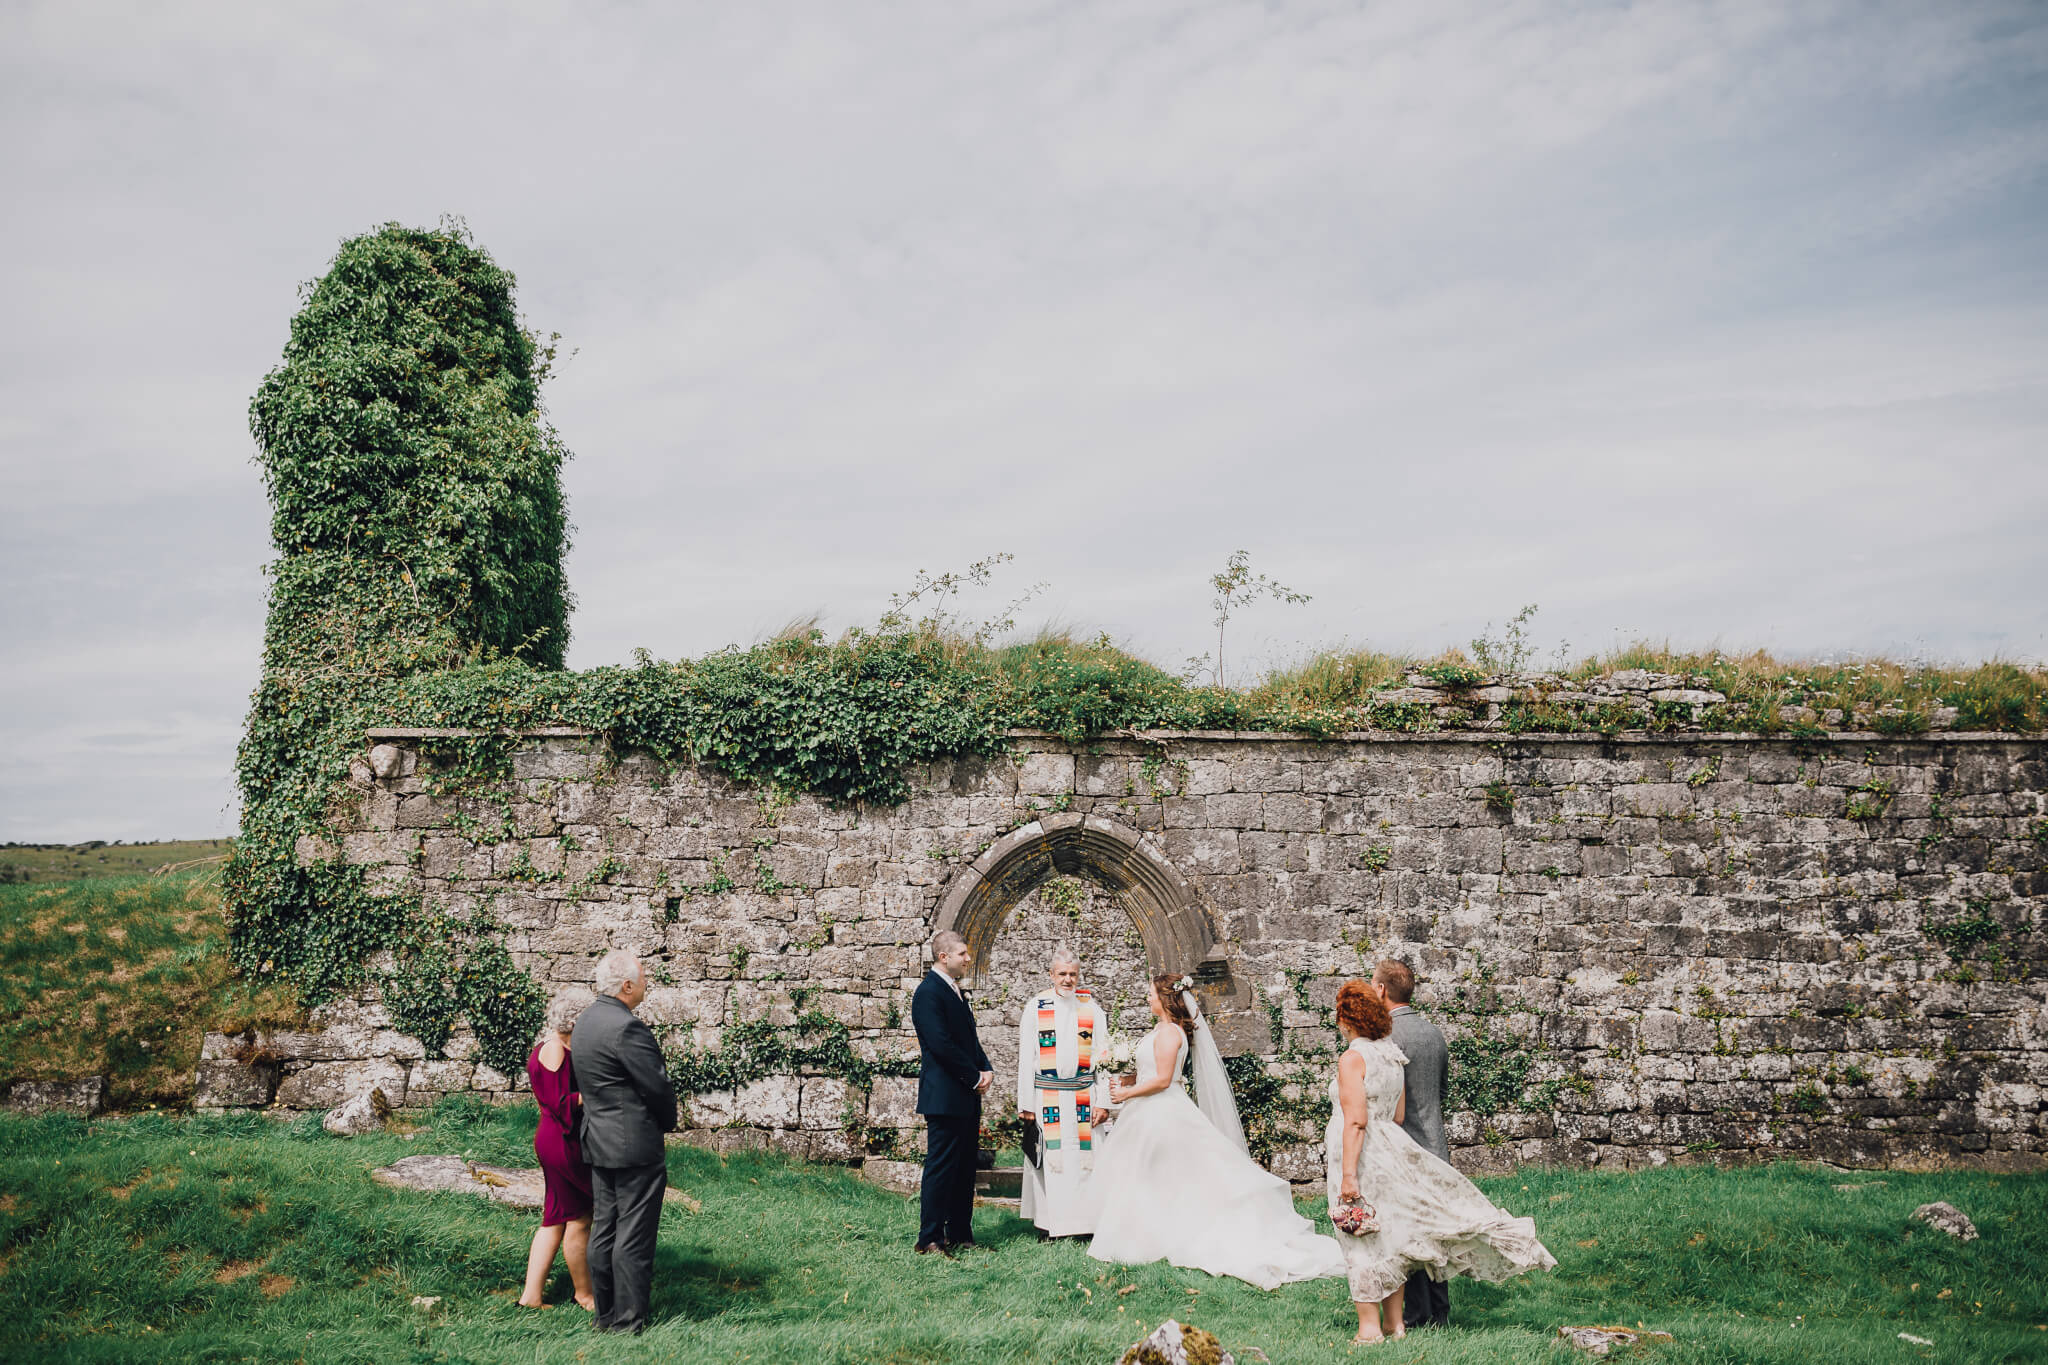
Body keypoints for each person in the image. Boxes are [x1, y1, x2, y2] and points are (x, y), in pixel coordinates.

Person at [1327, 979, 1554, 1345]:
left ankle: (1369, 1330)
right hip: (1391, 1147)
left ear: (1347, 1019)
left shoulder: (1353, 1058)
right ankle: (1395, 1325)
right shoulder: (1391, 1056)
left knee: (1359, 1237)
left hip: (1362, 1155)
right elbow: (1398, 1115)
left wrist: (1349, 1176)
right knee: (1389, 1236)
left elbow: (1355, 1120)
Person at [1087, 974, 1345, 1288]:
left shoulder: (1170, 1033)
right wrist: (1127, 1080)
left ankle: (1161, 1235)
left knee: (1159, 1173)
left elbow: (1164, 1080)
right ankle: (1148, 1234)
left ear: (1165, 998)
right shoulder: (1161, 1029)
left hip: (1161, 1110)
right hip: (1147, 1110)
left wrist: (1127, 1094)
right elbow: (1150, 1071)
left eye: (1151, 994)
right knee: (1149, 1174)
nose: (1147, 998)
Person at [574, 949, 678, 1334]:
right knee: (632, 1235)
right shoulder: (627, 1028)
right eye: (644, 977)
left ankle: (605, 1316)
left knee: (605, 1229)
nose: (648, 983)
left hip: (599, 1140)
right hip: (633, 1144)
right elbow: (657, 1085)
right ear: (628, 985)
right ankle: (627, 1321)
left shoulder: (585, 1021)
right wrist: (667, 1122)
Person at [1374, 959, 1452, 1330]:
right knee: (1434, 1230)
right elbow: (1440, 1092)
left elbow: (1389, 1100)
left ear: (1382, 990)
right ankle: (1440, 1310)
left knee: (1408, 1231)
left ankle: (1418, 1314)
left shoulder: (1387, 1036)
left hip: (1404, 1148)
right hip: (1438, 1145)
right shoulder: (1434, 1032)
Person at [1016, 946, 1107, 1239]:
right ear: (1051, 975)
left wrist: (1103, 1100)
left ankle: (1085, 1225)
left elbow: (1103, 1055)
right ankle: (1050, 1224)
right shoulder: (1036, 1006)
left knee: (1085, 1160)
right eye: (1062, 974)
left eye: (1073, 974)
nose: (1068, 980)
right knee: (1052, 1162)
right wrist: (1026, 1103)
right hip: (1048, 1097)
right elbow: (1026, 1057)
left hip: (1083, 1096)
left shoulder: (1091, 1008)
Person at [911, 929, 993, 1255]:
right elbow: (940, 1045)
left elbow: (969, 1041)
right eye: (962, 953)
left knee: (963, 1168)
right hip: (944, 1097)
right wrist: (973, 1077)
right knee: (941, 1167)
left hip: (965, 1096)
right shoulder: (928, 993)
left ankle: (960, 1234)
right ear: (944, 957)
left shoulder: (957, 992)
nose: (968, 958)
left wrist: (984, 1069)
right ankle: (929, 1238)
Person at [518, 994, 595, 1310]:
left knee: (555, 1220)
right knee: (580, 1219)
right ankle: (584, 1294)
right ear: (576, 1022)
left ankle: (531, 1297)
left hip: (555, 1138)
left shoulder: (551, 1046)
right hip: (562, 1140)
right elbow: (558, 1101)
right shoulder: (554, 1049)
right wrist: (598, 1093)